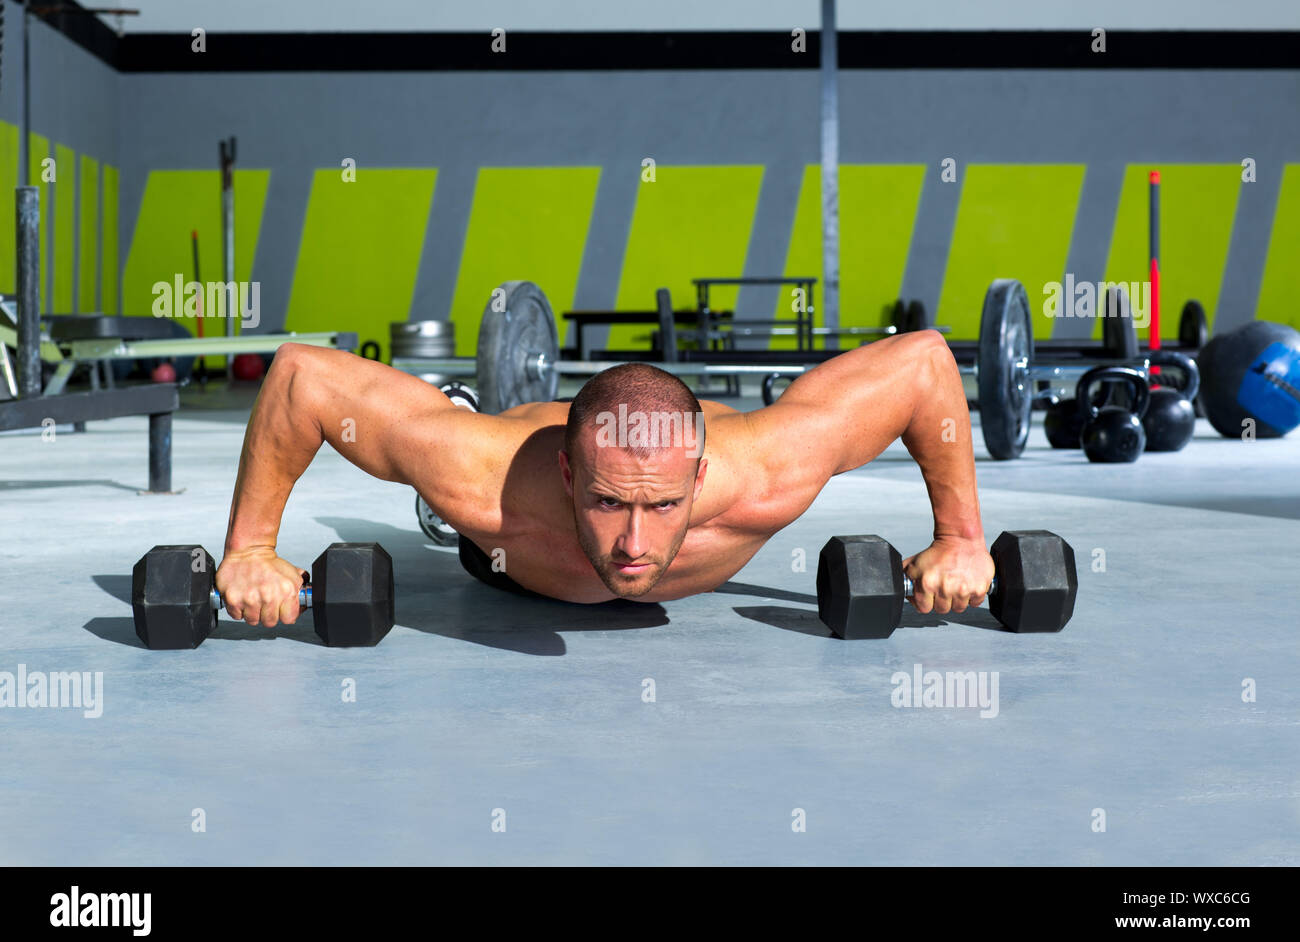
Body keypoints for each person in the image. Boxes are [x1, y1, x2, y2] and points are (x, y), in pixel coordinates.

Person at [215, 331, 995, 627]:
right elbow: (301, 378)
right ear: (565, 475)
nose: (632, 543)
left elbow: (925, 366)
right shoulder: (480, 479)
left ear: (702, 475)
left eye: (661, 506)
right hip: (511, 550)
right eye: (604, 501)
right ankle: (464, 414)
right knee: (447, 492)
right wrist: (251, 550)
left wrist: (961, 539)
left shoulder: (770, 469)